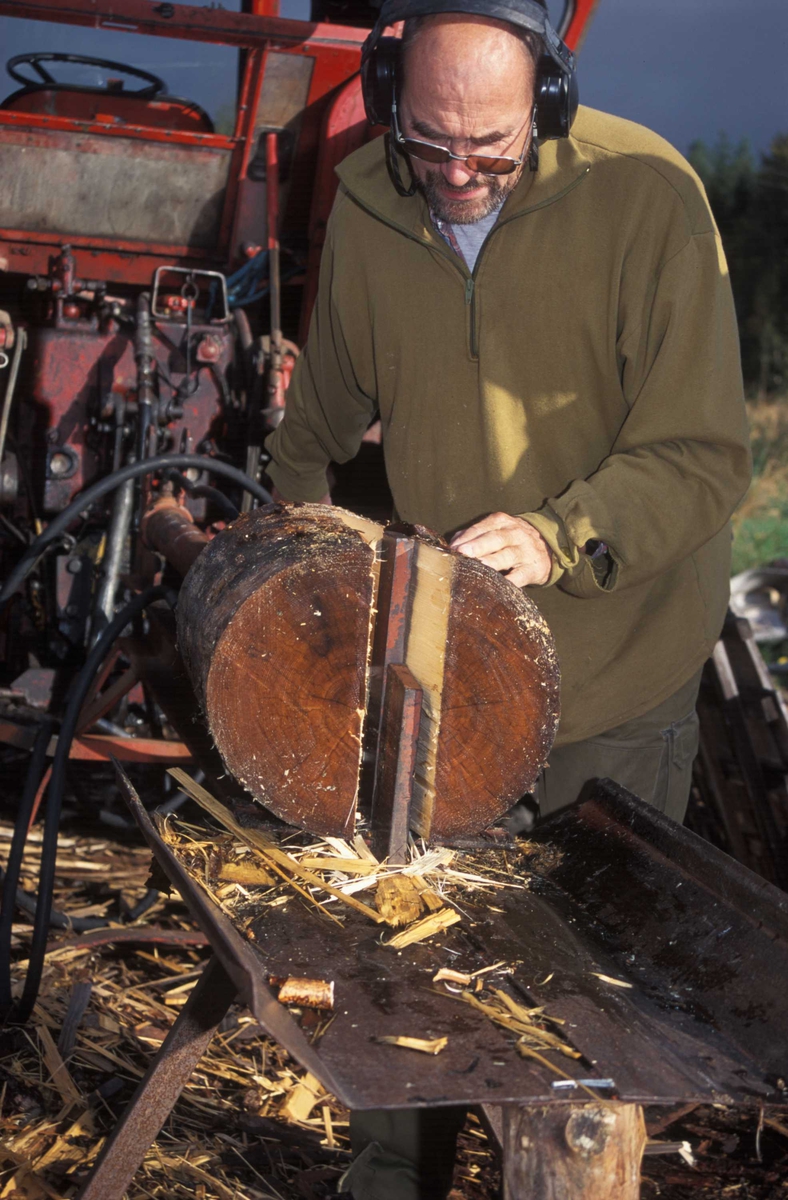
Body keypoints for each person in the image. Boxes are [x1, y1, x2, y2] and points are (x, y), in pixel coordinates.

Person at [265, 1, 751, 1193]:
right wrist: (315, 590)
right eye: (431, 144)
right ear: (389, 103)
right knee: (403, 990)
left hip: (613, 670)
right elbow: (308, 437)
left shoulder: (648, 196)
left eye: (490, 145)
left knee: (584, 1016)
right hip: (441, 687)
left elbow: (701, 453)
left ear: (550, 97)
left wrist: (554, 534)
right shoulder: (375, 203)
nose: (459, 173)